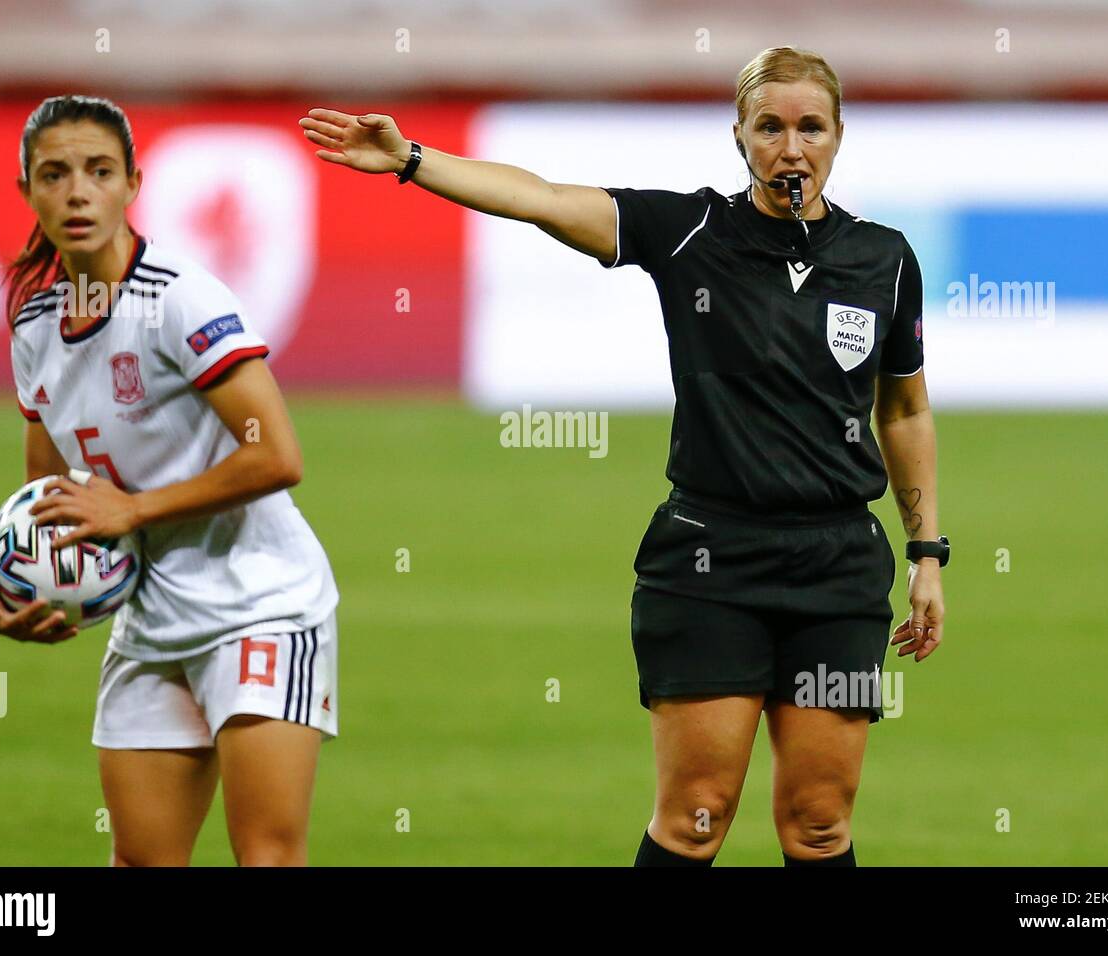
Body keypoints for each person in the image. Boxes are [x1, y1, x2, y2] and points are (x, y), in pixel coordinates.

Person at [300, 44, 947, 867]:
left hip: (840, 570)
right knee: (696, 817)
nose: (792, 147)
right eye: (770, 127)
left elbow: (905, 410)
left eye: (811, 127)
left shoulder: (883, 259)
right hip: (711, 562)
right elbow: (539, 198)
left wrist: (926, 552)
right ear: (739, 136)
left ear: (840, 134)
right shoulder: (689, 234)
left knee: (819, 823)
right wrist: (413, 161)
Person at [0, 94, 339, 867]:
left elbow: (275, 454)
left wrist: (133, 509)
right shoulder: (35, 328)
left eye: (99, 171)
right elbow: (50, 493)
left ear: (133, 183)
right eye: (55, 174)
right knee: (142, 861)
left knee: (266, 857)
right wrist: (21, 583)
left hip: (260, 604)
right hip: (152, 619)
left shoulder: (178, 298)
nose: (77, 192)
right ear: (26, 191)